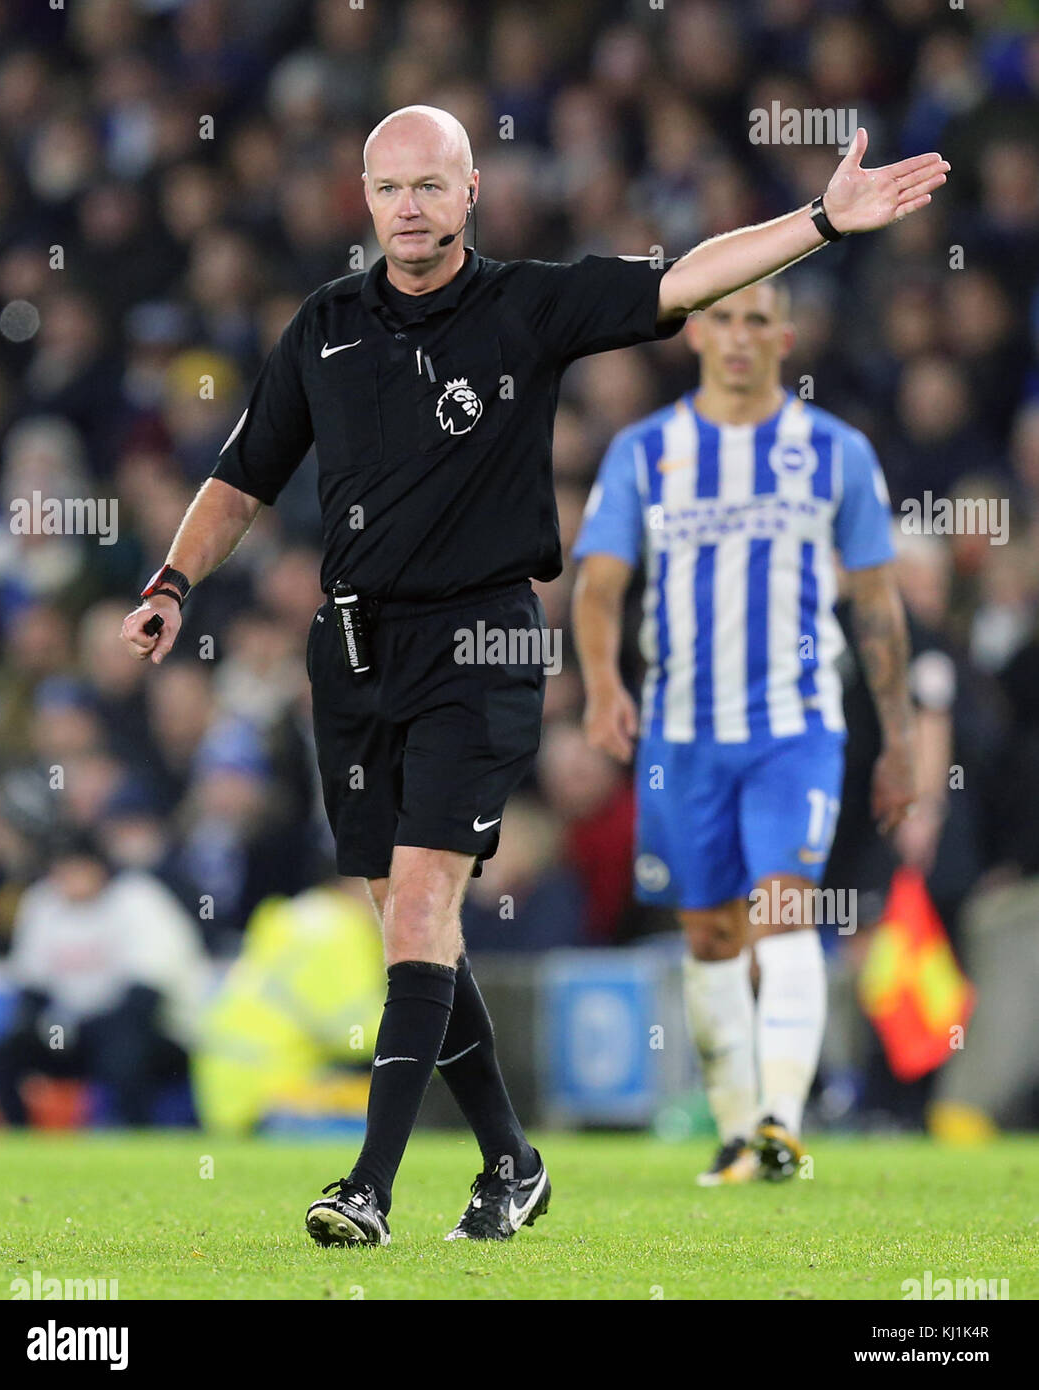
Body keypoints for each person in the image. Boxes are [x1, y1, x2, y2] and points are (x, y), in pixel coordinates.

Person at [120, 104, 949, 1242]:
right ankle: (512, 1164)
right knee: (415, 933)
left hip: (482, 646)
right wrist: (172, 582)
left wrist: (820, 218)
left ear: (471, 195)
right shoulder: (323, 327)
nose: (408, 208)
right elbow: (242, 477)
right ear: (365, 200)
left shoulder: (526, 306)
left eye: (430, 186)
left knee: (420, 906)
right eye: (388, 188)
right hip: (352, 655)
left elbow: (686, 279)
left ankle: (366, 1184)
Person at [572, 278, 917, 1184]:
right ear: (694, 333)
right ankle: (737, 1135)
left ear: (786, 338)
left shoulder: (834, 452)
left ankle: (781, 1120)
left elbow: (878, 601)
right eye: (720, 317)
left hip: (796, 728)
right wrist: (603, 684)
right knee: (712, 935)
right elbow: (600, 584)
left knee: (783, 912)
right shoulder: (646, 452)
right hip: (681, 737)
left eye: (756, 320)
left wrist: (903, 737)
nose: (737, 336)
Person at [0, 828, 208, 1127]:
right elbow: (32, 989)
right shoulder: (43, 902)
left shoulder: (138, 898)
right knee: (6, 1051)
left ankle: (137, 1135)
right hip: (73, 1032)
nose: (69, 879)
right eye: (61, 871)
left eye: (77, 869)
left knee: (123, 1051)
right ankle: (20, 1137)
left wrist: (80, 1028)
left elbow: (145, 999)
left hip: (155, 1032)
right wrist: (50, 1028)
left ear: (99, 867)